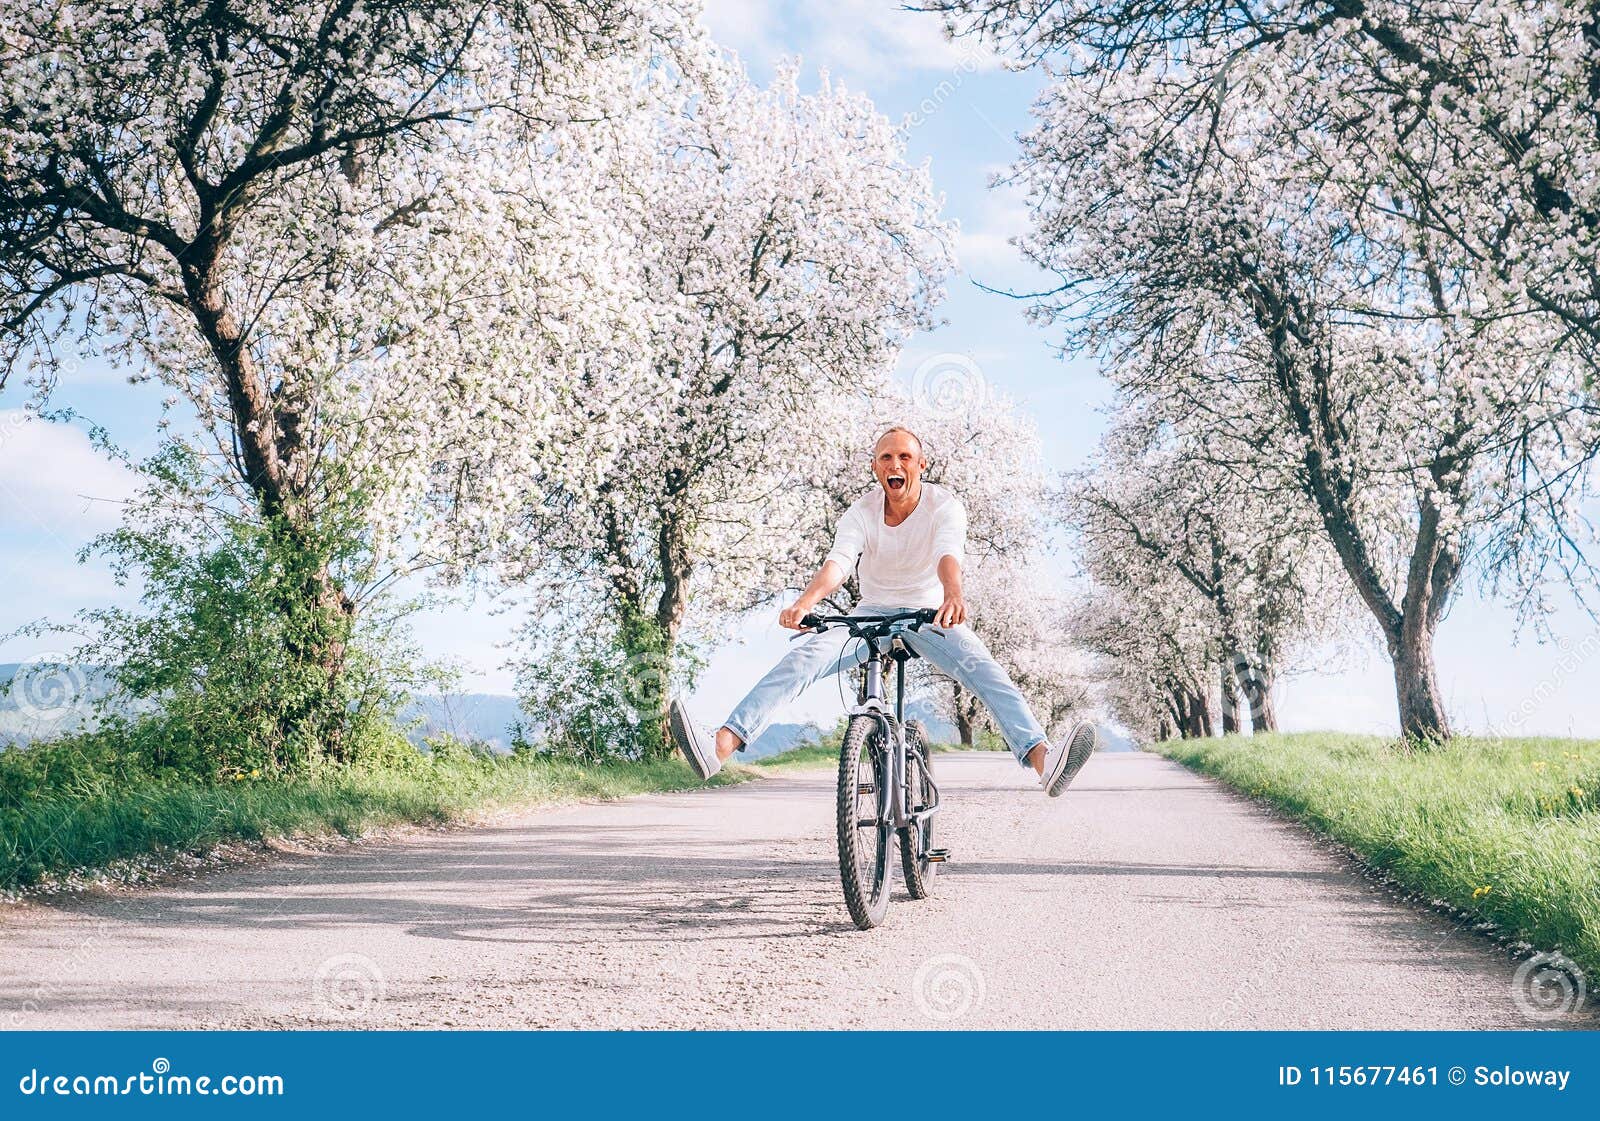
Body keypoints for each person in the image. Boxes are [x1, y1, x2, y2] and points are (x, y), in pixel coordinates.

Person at [668, 425, 1096, 794]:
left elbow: (948, 554)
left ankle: (1043, 761)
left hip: (929, 613)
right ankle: (720, 747)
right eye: (886, 457)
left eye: (905, 456)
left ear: (921, 465)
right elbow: (838, 563)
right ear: (875, 468)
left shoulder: (944, 506)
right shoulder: (861, 512)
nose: (896, 464)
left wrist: (952, 594)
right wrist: (805, 602)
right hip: (869, 613)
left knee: (980, 666)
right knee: (801, 659)